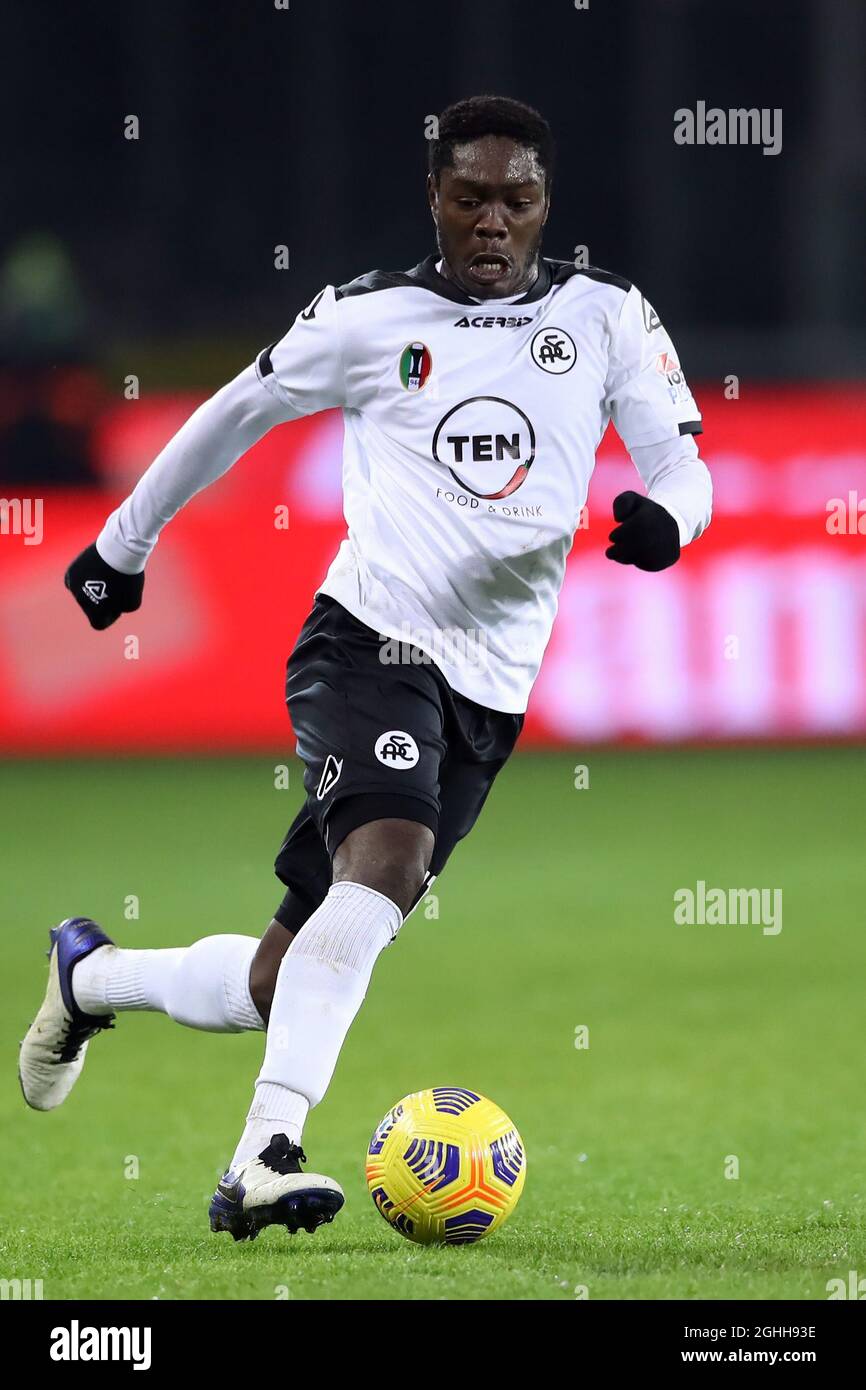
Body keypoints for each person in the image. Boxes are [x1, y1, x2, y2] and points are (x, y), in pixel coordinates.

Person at [20, 95, 712, 1240]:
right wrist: (121, 545)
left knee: (276, 978)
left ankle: (88, 977)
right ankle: (261, 1158)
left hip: (489, 694)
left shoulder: (605, 319)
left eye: (516, 198)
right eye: (468, 196)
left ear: (546, 206)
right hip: (366, 642)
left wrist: (667, 520)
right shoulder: (364, 318)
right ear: (433, 198)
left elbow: (678, 460)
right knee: (384, 868)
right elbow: (234, 415)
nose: (492, 220)